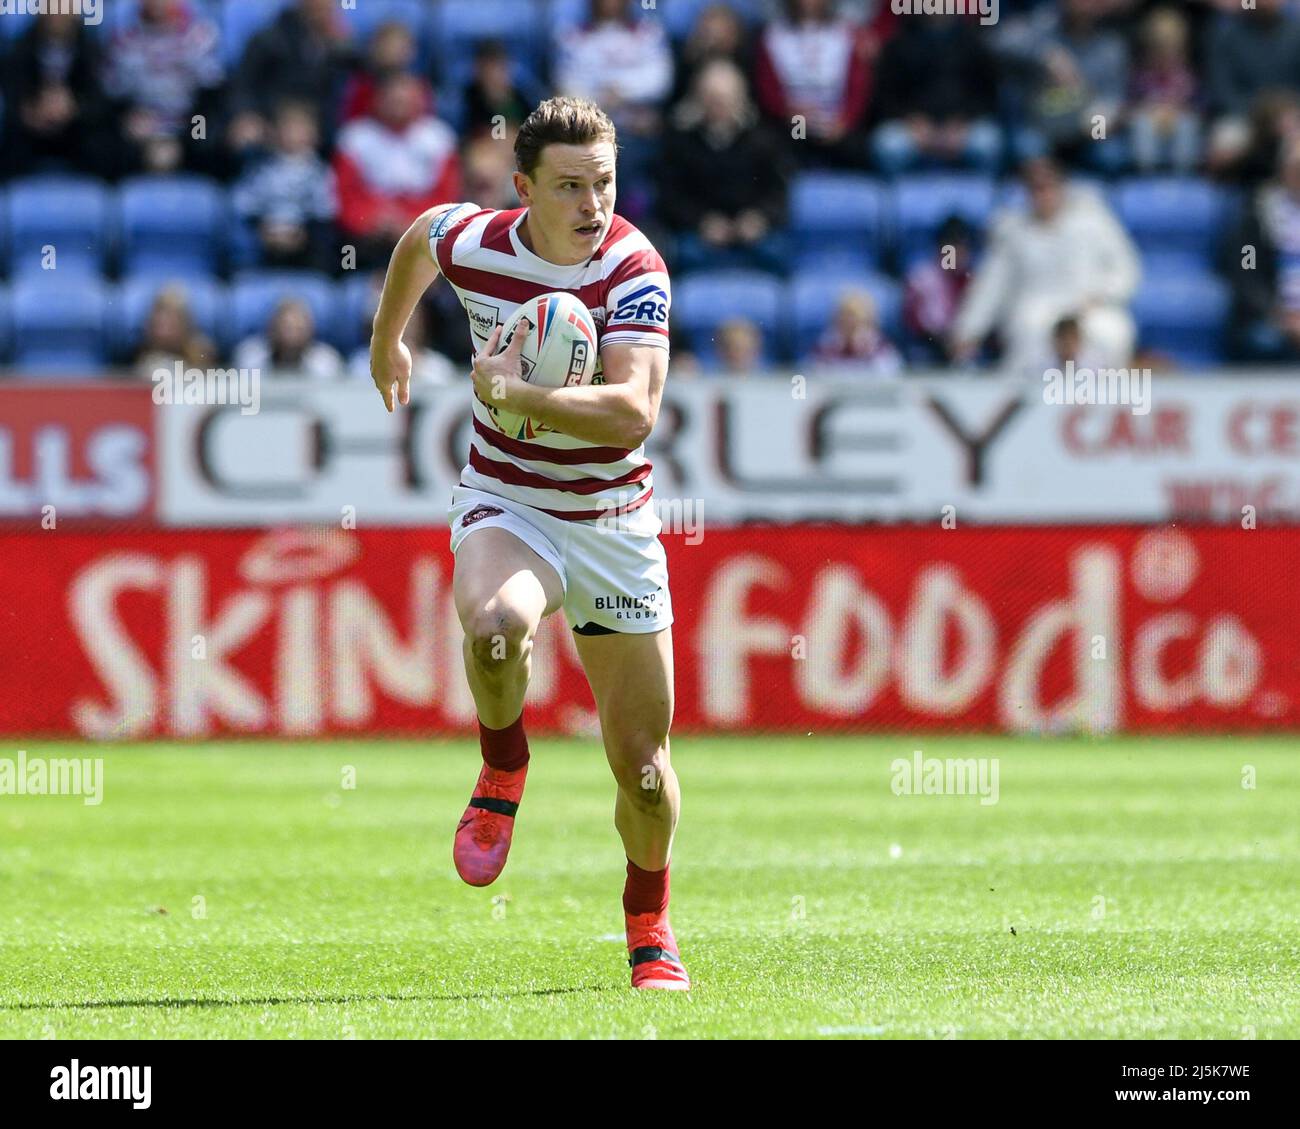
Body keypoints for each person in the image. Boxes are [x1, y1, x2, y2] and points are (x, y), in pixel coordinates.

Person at [368, 97, 689, 991]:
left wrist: (515, 393)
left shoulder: (634, 266)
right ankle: (504, 764)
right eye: (570, 187)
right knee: (496, 627)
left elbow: (633, 414)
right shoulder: (481, 243)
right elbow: (422, 236)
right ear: (524, 189)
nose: (593, 204)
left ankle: (649, 923)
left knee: (645, 772)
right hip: (508, 501)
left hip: (612, 525)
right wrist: (386, 338)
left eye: (604, 183)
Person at [950, 157, 1140, 372]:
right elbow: (992, 285)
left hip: (1089, 307)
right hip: (1037, 311)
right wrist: (969, 330)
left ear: (1062, 187)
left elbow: (1126, 268)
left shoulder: (1094, 220)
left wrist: (1102, 295)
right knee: (1027, 333)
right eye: (1036, 189)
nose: (1043, 195)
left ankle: (1108, 402)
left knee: (1114, 333)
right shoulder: (1013, 230)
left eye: (1049, 187)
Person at [234, 298, 344, 379]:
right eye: (286, 328)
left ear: (311, 331)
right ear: (271, 329)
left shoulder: (326, 362)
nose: (291, 337)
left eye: (299, 329)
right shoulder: (250, 357)